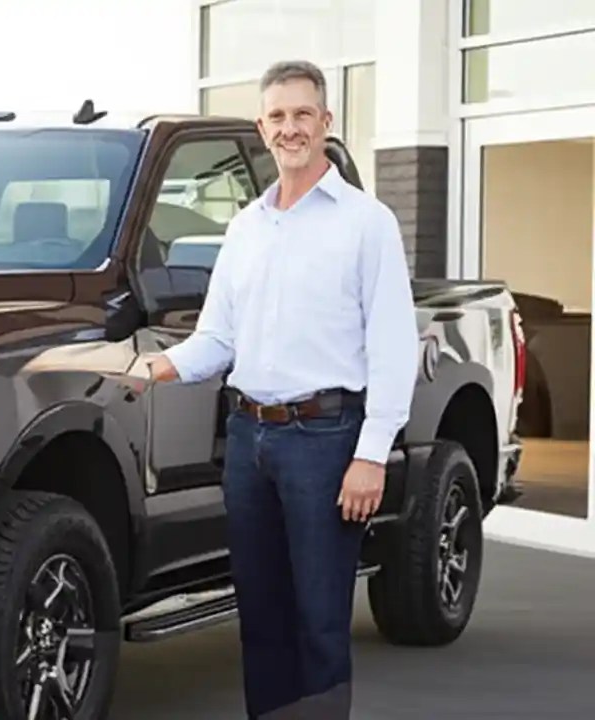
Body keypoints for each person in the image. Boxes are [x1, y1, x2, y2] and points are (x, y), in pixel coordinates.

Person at [146, 59, 419, 718]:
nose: (289, 128)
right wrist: (151, 368)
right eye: (277, 116)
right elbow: (217, 340)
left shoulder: (366, 222)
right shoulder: (244, 228)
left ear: (325, 122)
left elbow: (394, 347)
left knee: (320, 622)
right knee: (261, 619)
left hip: (326, 441)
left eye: (303, 114)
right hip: (250, 442)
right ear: (262, 128)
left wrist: (370, 454)